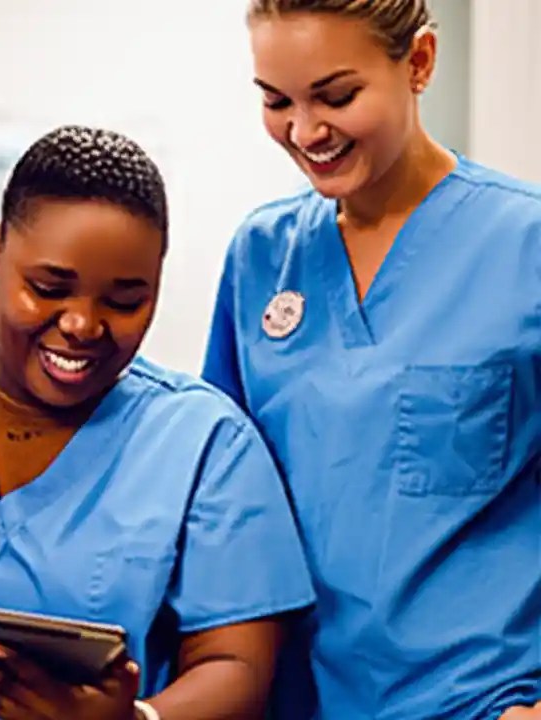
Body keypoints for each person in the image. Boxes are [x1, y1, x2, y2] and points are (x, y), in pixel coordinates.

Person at [0, 125, 316, 720]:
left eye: (125, 301)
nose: (82, 326)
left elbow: (239, 668)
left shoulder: (205, 443)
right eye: (49, 288)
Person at [203, 1, 541, 718]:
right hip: (294, 698)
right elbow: (216, 503)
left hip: (479, 698)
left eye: (336, 96)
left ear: (418, 62)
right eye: (276, 101)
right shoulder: (263, 255)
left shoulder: (525, 247)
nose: (304, 131)